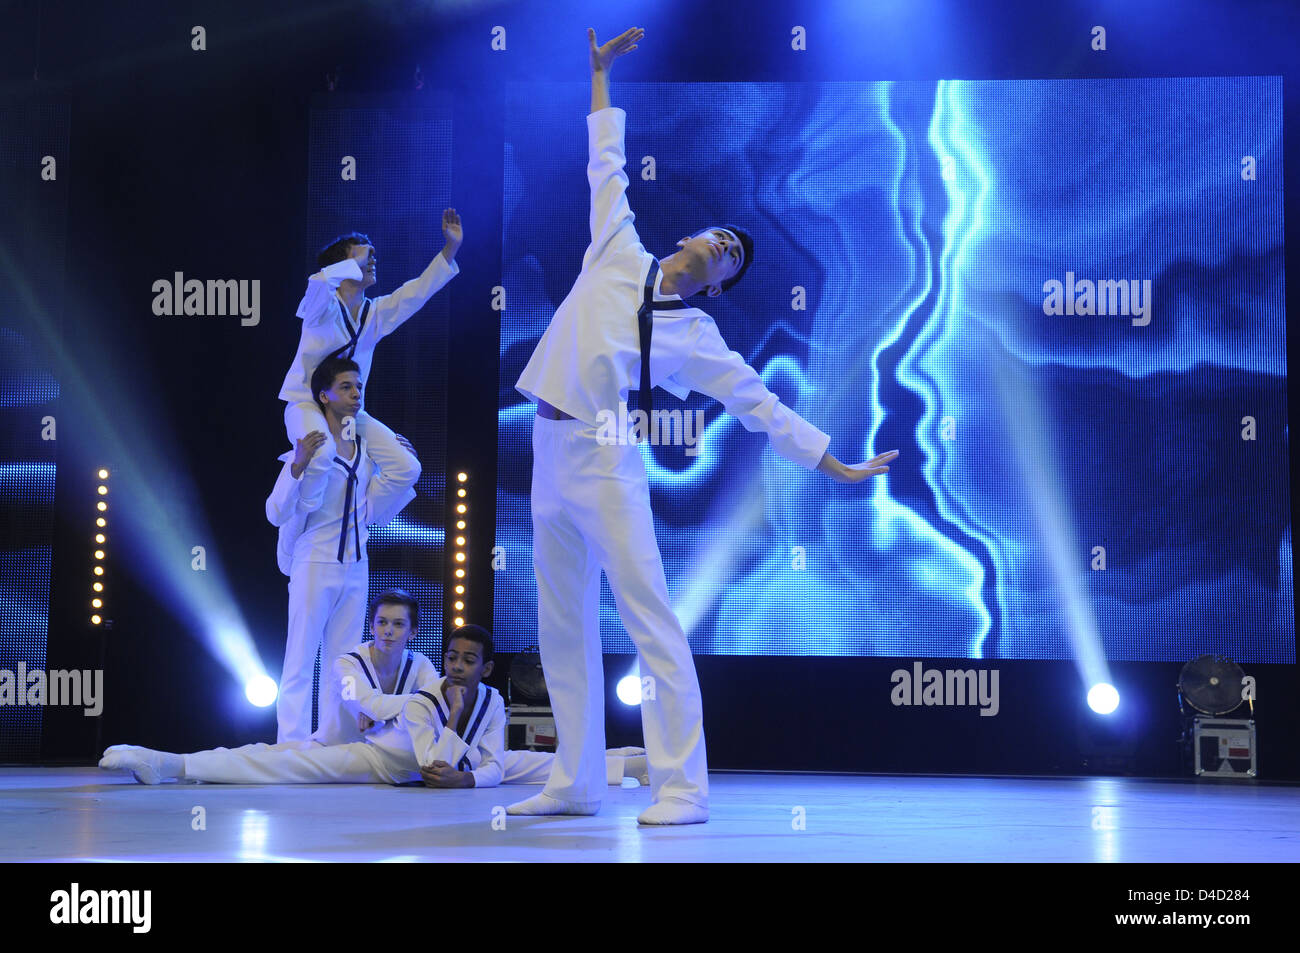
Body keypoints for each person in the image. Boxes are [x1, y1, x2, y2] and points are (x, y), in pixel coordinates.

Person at [510, 27, 898, 825]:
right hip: (548, 450)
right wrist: (597, 74)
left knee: (649, 616)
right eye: (720, 236)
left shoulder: (695, 336)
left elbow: (761, 406)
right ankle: (575, 779)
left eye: (732, 258)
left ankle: (683, 785)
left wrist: (840, 465)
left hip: (608, 458)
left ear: (719, 286)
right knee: (561, 623)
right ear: (688, 236)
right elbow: (604, 160)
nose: (722, 246)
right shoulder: (617, 245)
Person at [98, 608, 646, 788]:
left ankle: (633, 764)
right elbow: (431, 762)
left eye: (467, 662)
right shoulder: (400, 684)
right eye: (381, 622)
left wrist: (474, 776)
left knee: (548, 766)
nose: (456, 668)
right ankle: (167, 763)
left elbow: (490, 763)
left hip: (424, 750)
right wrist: (444, 718)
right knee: (275, 763)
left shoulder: (469, 693)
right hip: (376, 756)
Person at [268, 357, 419, 743]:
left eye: (358, 387)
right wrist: (297, 468)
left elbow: (373, 511)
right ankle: (291, 744)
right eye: (346, 387)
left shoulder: (367, 451)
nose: (355, 394)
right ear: (324, 396)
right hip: (314, 563)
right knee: (300, 657)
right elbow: (276, 512)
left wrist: (405, 464)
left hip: (355, 565)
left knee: (344, 662)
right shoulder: (309, 451)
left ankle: (336, 740)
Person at [281, 212, 462, 514]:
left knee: (407, 467)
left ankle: (360, 519)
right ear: (343, 266)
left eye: (370, 253)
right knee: (323, 452)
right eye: (362, 253)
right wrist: (353, 261)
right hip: (307, 405)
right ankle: (301, 523)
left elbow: (418, 291)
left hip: (350, 413)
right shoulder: (321, 306)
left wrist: (451, 248)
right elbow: (319, 281)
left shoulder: (375, 313)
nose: (371, 257)